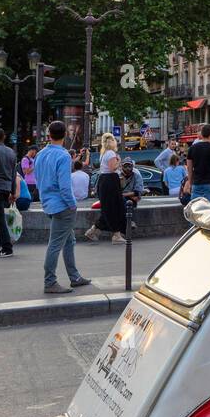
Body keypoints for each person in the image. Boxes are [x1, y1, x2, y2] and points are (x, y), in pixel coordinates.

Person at [34, 121, 90, 294]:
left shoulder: (41, 154)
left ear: (49, 135)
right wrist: (72, 205)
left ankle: (74, 277)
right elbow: (65, 186)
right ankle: (50, 282)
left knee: (68, 240)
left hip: (49, 204)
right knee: (56, 244)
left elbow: (38, 179)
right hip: (63, 205)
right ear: (65, 135)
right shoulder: (64, 156)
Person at [85, 132, 126, 244]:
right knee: (114, 208)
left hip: (104, 180)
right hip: (110, 181)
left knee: (108, 208)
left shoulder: (103, 153)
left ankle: (93, 231)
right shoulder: (111, 154)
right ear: (112, 142)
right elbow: (112, 168)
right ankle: (116, 235)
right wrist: (119, 161)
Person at [0, 126, 19, 257]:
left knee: (0, 220)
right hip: (5, 189)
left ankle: (7, 248)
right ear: (4, 137)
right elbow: (13, 173)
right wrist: (13, 191)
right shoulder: (11, 152)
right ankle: (6, 246)